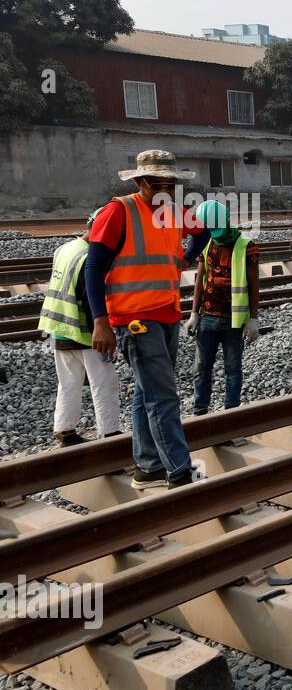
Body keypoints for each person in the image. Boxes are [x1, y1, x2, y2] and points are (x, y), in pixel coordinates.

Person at [85, 149, 204, 489]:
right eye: (157, 183)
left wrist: (186, 258)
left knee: (147, 391)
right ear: (139, 181)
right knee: (163, 395)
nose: (165, 189)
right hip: (133, 319)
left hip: (167, 313)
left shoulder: (174, 212)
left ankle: (148, 467)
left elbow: (202, 233)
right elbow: (93, 269)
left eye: (171, 183)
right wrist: (100, 321)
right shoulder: (118, 212)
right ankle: (180, 472)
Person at [37, 210, 122, 447]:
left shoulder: (64, 249)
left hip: (58, 329)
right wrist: (104, 328)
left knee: (68, 383)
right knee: (104, 382)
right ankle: (110, 434)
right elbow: (88, 297)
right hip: (84, 332)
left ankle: (65, 431)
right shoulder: (89, 257)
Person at [187, 200, 260, 415]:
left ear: (228, 222)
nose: (215, 235)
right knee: (201, 370)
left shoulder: (247, 246)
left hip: (233, 322)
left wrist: (253, 318)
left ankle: (232, 414)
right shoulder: (207, 243)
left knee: (233, 370)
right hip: (207, 318)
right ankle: (200, 412)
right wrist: (193, 313)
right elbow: (200, 279)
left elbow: (254, 286)